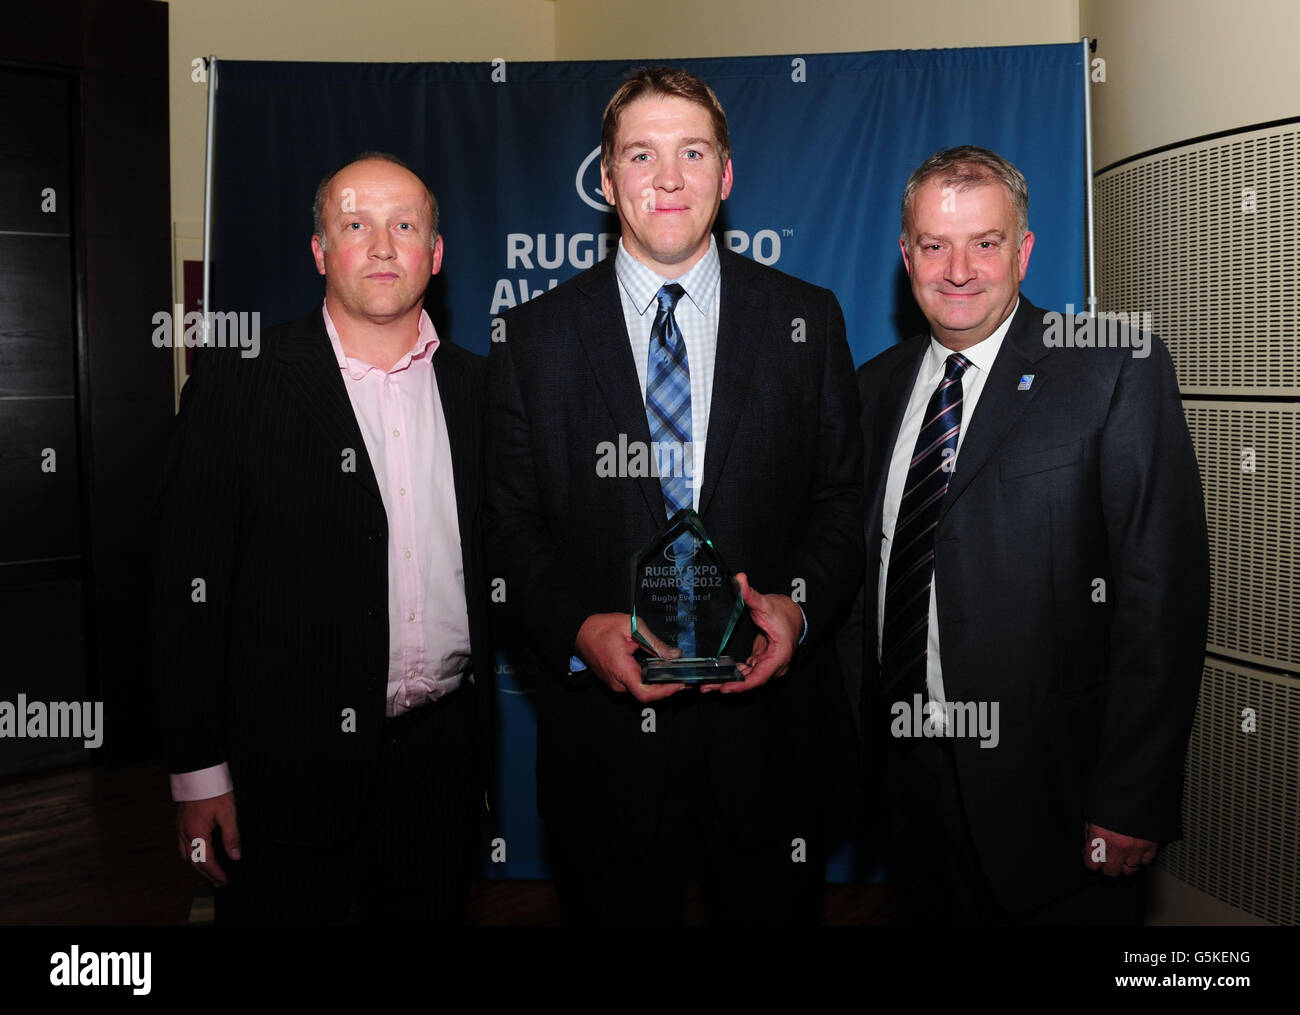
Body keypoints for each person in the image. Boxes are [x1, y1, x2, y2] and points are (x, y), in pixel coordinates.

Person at [485, 66, 863, 925]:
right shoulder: (531, 339)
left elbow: (842, 500)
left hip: (769, 743)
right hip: (605, 750)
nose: (667, 178)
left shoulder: (808, 320)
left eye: (692, 152)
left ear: (725, 176)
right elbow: (509, 525)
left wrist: (796, 613)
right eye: (641, 155)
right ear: (608, 179)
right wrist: (580, 628)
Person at [853, 145, 1209, 923]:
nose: (958, 269)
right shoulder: (871, 389)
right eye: (934, 244)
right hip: (906, 781)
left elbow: (1162, 596)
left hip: (1059, 792)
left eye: (985, 242)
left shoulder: (1114, 364)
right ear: (904, 253)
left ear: (1024, 250)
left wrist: (1132, 795)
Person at [150, 152, 492, 924]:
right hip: (284, 775)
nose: (380, 245)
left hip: (441, 766)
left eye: (404, 225)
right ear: (319, 251)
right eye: (354, 224)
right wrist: (200, 775)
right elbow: (185, 593)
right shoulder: (239, 384)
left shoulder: (481, 391)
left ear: (434, 255)